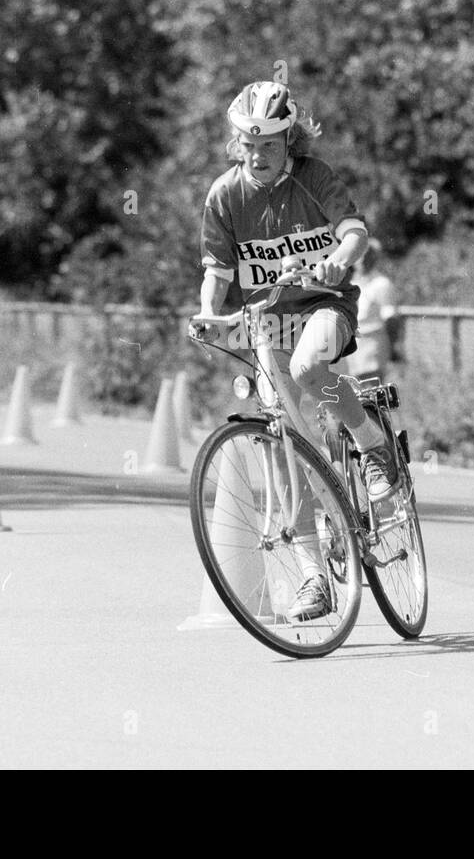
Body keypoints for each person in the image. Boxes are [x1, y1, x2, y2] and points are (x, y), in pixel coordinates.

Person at [193, 80, 397, 621]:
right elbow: (217, 274)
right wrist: (211, 315)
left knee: (310, 366)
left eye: (269, 144)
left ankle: (372, 445)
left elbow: (353, 231)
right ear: (238, 142)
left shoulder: (313, 178)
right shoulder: (224, 196)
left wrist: (339, 261)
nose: (258, 155)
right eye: (248, 144)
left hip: (324, 305)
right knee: (283, 433)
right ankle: (314, 576)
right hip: (267, 321)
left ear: (289, 139)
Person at [333, 236, 401, 383]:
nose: (363, 259)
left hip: (373, 346)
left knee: (372, 390)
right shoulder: (351, 284)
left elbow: (391, 319)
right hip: (353, 349)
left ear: (375, 258)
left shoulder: (381, 284)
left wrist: (393, 346)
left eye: (367, 255)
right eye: (359, 254)